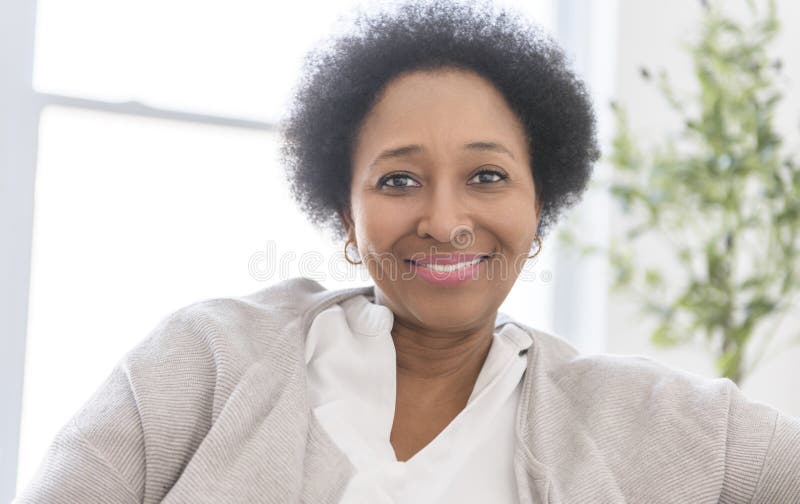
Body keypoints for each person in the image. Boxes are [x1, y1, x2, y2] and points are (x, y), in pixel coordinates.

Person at [14, 0, 800, 503]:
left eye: (487, 176)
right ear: (346, 215)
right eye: (398, 180)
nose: (445, 220)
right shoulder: (205, 362)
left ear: (539, 206)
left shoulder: (648, 421)